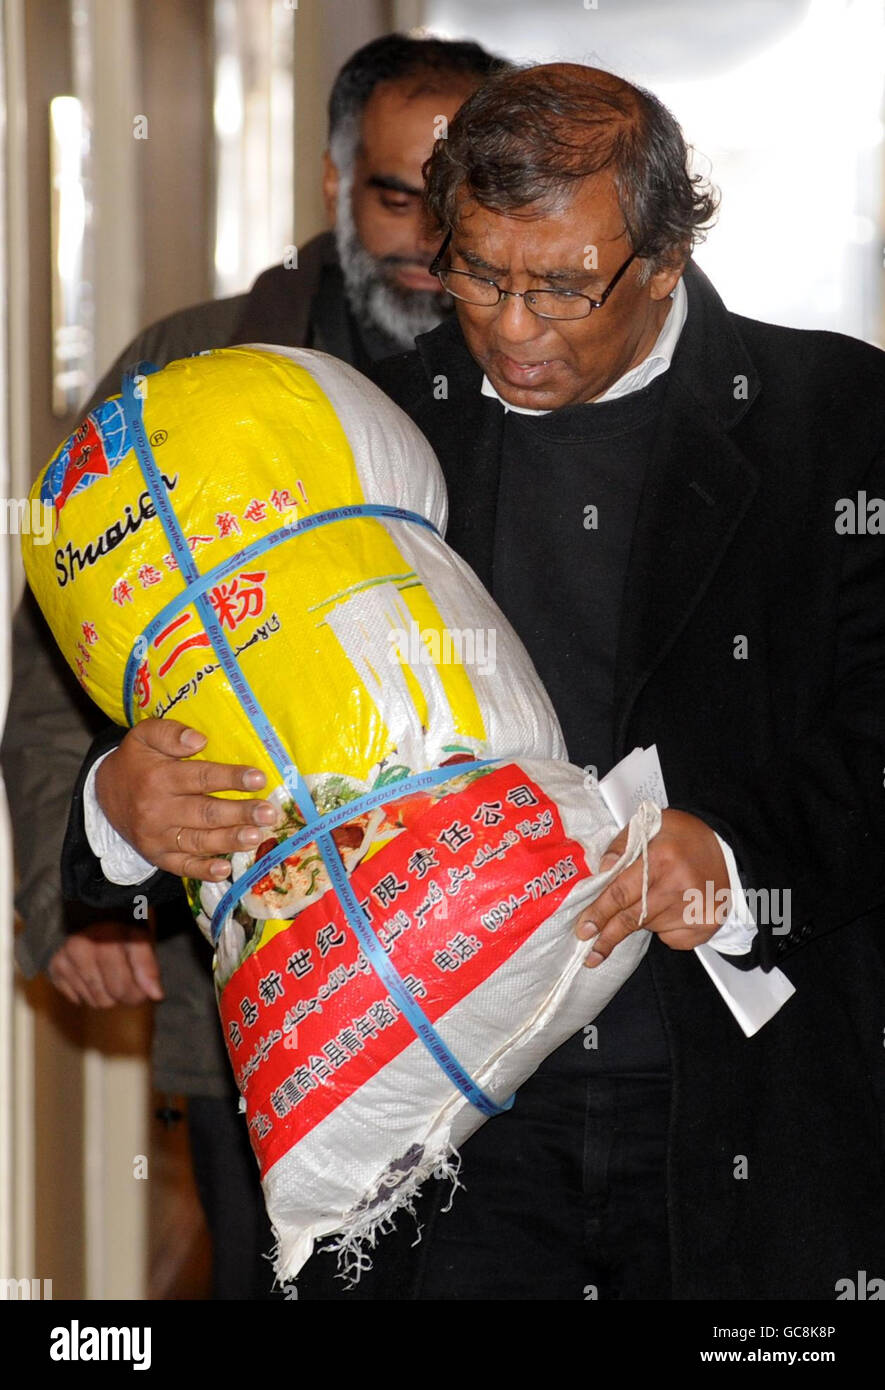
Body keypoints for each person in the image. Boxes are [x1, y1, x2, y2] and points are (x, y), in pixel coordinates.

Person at [60, 62, 885, 1300]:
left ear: (663, 259)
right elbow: (206, 699)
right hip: (448, 1140)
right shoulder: (369, 432)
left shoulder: (836, 420)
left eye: (560, 285)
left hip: (733, 1120)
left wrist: (731, 860)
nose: (508, 326)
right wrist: (118, 815)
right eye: (477, 273)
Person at [0, 31, 507, 1300]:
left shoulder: (536, 369)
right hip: (256, 997)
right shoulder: (186, 374)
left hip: (508, 956)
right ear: (336, 184)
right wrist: (72, 891)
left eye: (456, 204)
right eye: (397, 196)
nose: (427, 242)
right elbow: (60, 648)